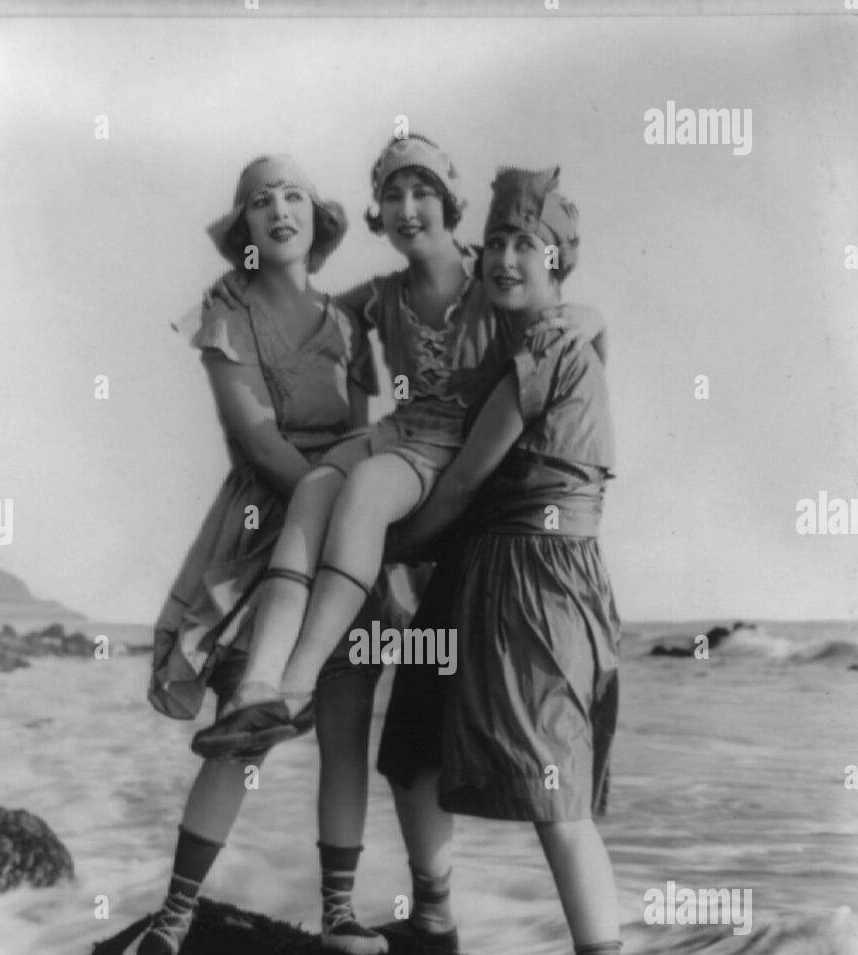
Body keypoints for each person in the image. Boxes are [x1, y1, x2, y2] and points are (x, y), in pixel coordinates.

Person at [191, 134, 606, 763]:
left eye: (422, 193)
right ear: (377, 214)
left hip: (446, 449)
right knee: (312, 491)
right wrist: (238, 294)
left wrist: (596, 317)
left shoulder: (487, 273)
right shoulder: (381, 295)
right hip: (396, 433)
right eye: (392, 196)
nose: (408, 208)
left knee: (360, 492)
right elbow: (303, 311)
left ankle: (297, 686)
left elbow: (550, 316)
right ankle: (259, 688)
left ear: (449, 202)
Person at [377, 166, 644, 955]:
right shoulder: (557, 336)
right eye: (491, 242)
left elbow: (455, 487)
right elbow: (596, 321)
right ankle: (435, 920)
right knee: (411, 743)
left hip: (531, 581)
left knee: (553, 792)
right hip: (493, 569)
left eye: (522, 244)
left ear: (556, 258)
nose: (499, 257)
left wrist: (375, 552)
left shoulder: (543, 353)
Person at [121, 153, 396, 955]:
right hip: (261, 526)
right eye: (260, 202)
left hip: (343, 522)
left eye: (294, 199)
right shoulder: (225, 308)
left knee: (345, 719)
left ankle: (339, 912)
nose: (279, 210)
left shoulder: (351, 324)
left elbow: (366, 432)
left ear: (317, 222)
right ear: (243, 229)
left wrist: (349, 509)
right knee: (248, 726)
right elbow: (254, 435)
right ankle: (175, 912)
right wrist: (322, 495)